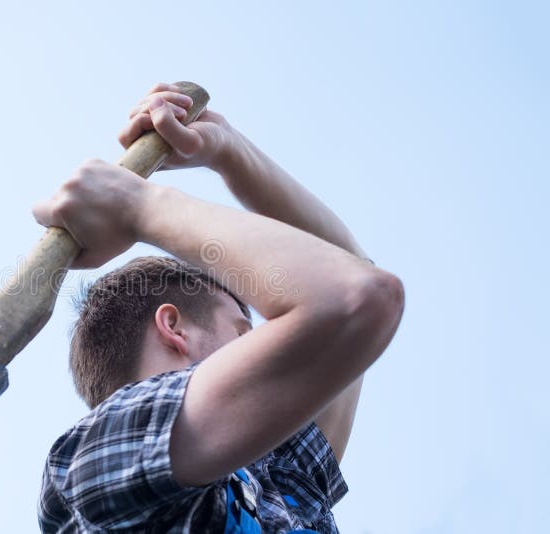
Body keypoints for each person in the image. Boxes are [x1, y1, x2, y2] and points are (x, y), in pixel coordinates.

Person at [34, 83, 405, 532]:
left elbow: (348, 272)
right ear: (174, 328)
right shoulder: (103, 456)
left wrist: (230, 152)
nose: (272, 341)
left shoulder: (276, 487)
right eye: (242, 329)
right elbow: (354, 298)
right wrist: (137, 206)